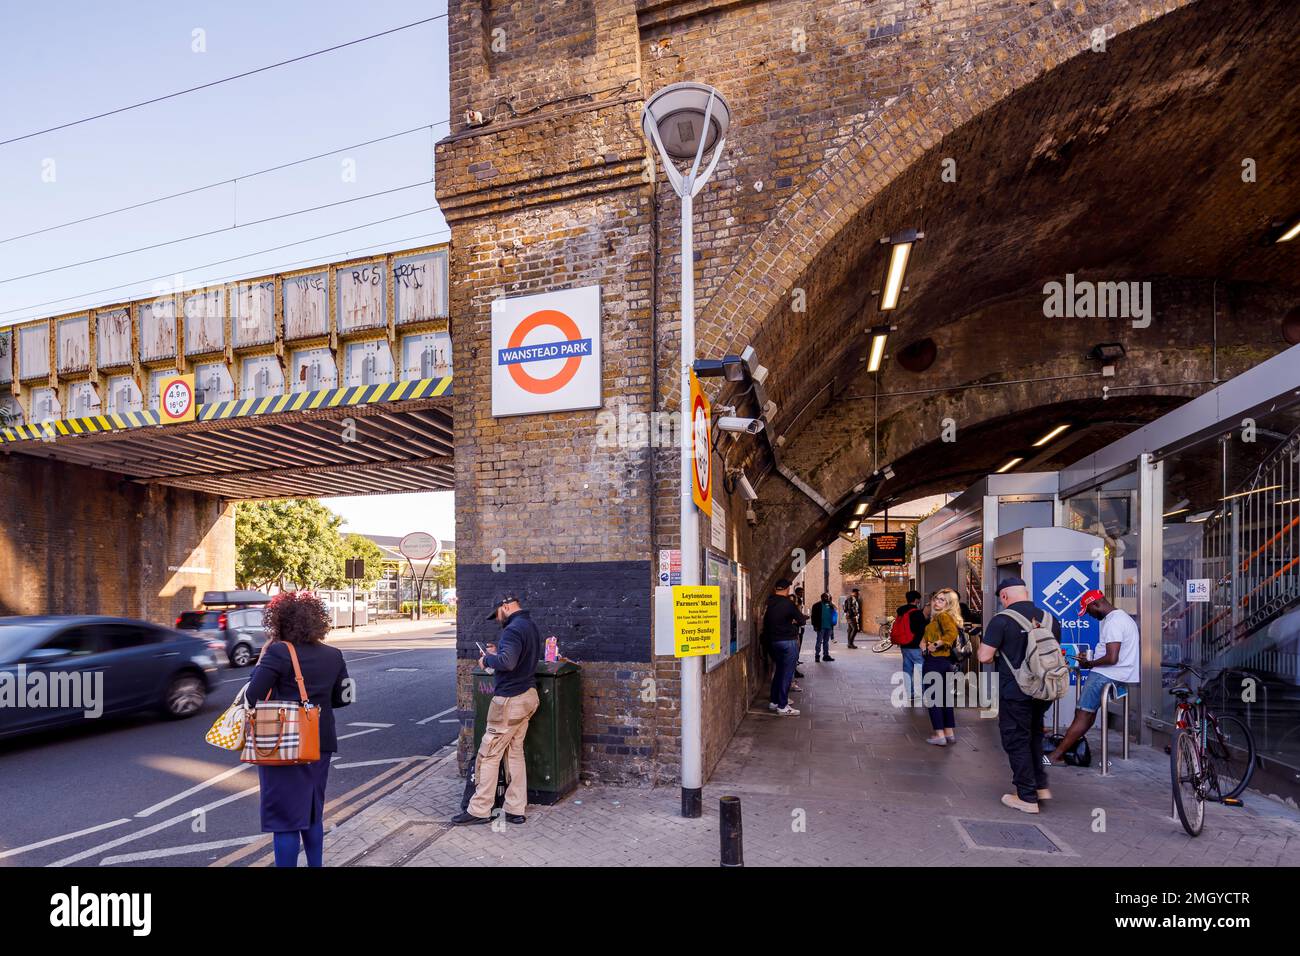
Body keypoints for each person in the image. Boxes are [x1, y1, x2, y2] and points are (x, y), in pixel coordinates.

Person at [245, 591, 351, 868]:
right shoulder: (334, 654)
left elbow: (252, 695)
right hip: (321, 741)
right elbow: (344, 698)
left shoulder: (279, 651)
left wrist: (263, 657)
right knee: (312, 813)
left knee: (285, 820)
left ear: (280, 622)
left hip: (283, 744)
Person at [451, 595, 542, 826]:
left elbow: (508, 662)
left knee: (489, 754)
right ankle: (515, 808)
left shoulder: (512, 630)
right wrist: (497, 651)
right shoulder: (529, 626)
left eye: (498, 614)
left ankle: (479, 809)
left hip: (509, 701)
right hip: (528, 696)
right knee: (514, 753)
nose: (498, 619)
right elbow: (515, 657)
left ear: (506, 606)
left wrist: (487, 661)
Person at [978, 576, 1062, 814]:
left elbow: (984, 656)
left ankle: (1026, 796)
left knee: (1016, 739)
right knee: (1034, 735)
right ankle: (1040, 785)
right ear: (1025, 592)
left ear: (1004, 596)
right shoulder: (1049, 619)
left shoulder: (1002, 620)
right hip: (1044, 690)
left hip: (1016, 691)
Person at [1046, 589, 1139, 764]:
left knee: (1083, 713)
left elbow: (1112, 658)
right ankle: (1069, 747)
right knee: (1086, 713)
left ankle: (1056, 755)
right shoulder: (1121, 618)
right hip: (1118, 673)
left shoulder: (1114, 622)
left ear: (1096, 604)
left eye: (1089, 611)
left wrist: (1090, 664)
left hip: (1105, 675)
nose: (1090, 615)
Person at [920, 589, 962, 745]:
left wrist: (935, 645)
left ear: (949, 604)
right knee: (944, 699)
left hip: (935, 663)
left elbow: (951, 634)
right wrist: (924, 644)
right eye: (936, 598)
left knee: (934, 699)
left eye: (942, 600)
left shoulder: (943, 616)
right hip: (944, 663)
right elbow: (926, 639)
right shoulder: (937, 618)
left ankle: (939, 735)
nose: (937, 602)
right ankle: (948, 732)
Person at [763, 579, 807, 715]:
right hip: (788, 642)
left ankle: (774, 701)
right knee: (787, 674)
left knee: (779, 671)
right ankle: (782, 705)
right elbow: (801, 620)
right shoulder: (788, 603)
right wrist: (793, 620)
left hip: (773, 642)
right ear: (787, 589)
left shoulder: (769, 602)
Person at [895, 590, 927, 705]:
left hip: (904, 645)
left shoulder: (900, 611)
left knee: (907, 669)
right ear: (916, 600)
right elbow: (922, 630)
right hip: (915, 646)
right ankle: (924, 692)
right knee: (921, 670)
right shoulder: (917, 613)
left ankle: (909, 692)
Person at [810, 592, 836, 663]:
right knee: (819, 641)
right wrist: (814, 625)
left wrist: (831, 602)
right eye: (825, 597)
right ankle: (817, 656)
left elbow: (834, 613)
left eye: (827, 597)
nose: (826, 598)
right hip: (820, 627)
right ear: (821, 597)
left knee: (826, 642)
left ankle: (826, 656)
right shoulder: (816, 605)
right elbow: (813, 617)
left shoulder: (830, 605)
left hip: (829, 626)